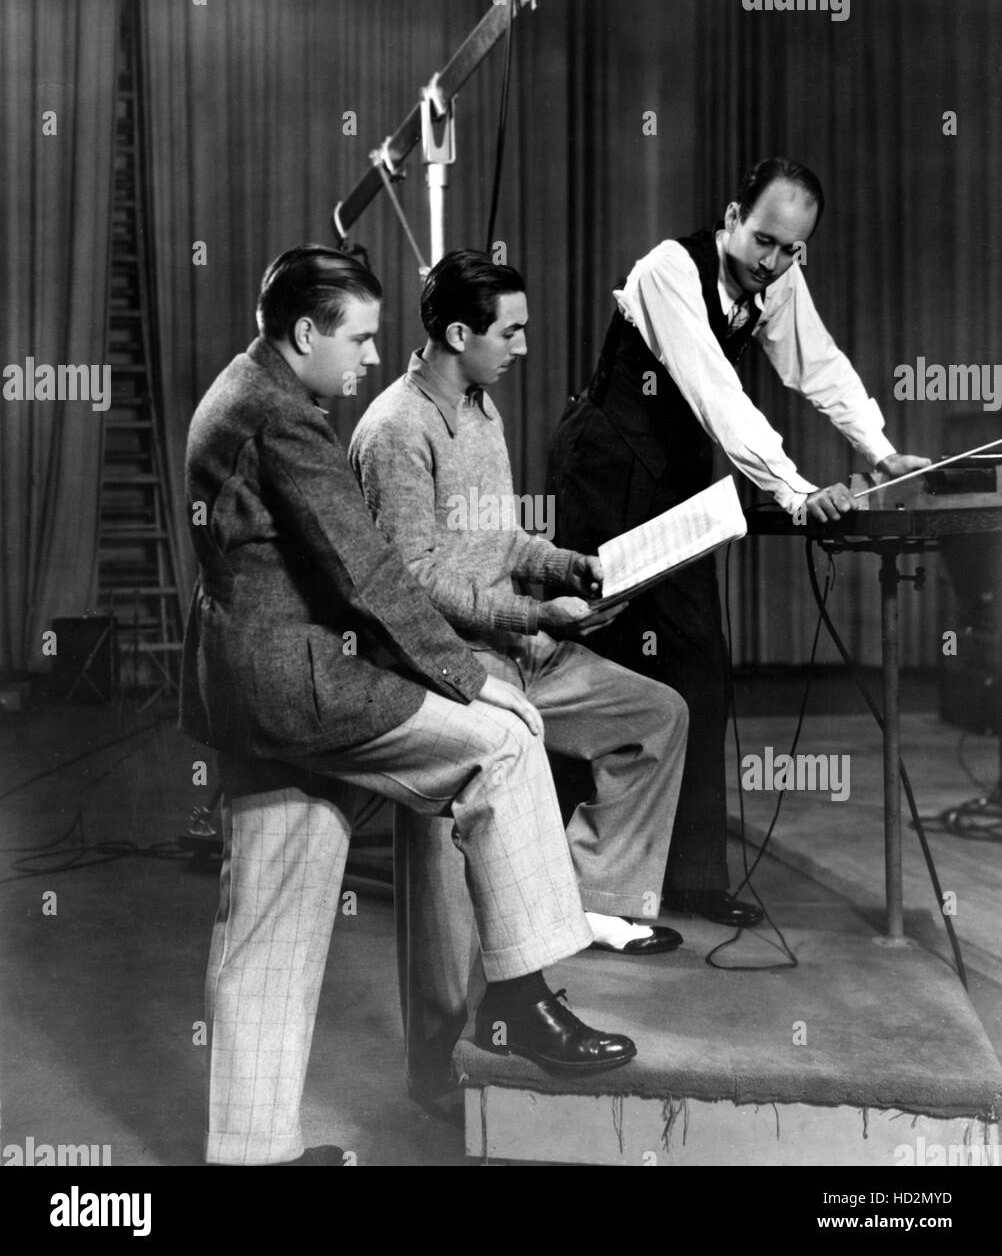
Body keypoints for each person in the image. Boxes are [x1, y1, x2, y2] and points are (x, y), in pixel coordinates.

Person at [180, 245, 638, 1168]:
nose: (369, 359)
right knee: (502, 746)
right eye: (357, 340)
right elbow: (371, 577)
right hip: (306, 688)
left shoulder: (243, 389)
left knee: (274, 909)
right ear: (305, 333)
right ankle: (521, 995)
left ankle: (249, 1152)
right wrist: (471, 678)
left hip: (250, 687)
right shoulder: (286, 422)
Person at [546, 157, 931, 928]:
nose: (775, 263)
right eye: (763, 242)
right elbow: (719, 396)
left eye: (793, 250)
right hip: (606, 472)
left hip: (679, 480)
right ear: (730, 218)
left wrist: (877, 449)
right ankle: (553, 888)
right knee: (591, 672)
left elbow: (816, 363)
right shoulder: (665, 270)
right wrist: (791, 490)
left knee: (697, 671)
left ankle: (690, 881)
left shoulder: (777, 278)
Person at [348, 249, 689, 1105]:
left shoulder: (481, 404)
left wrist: (569, 569)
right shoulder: (395, 430)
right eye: (513, 330)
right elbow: (412, 578)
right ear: (458, 333)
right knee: (440, 893)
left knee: (654, 717)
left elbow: (497, 543)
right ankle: (440, 1079)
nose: (526, 345)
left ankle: (579, 907)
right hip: (447, 673)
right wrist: (534, 615)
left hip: (523, 650)